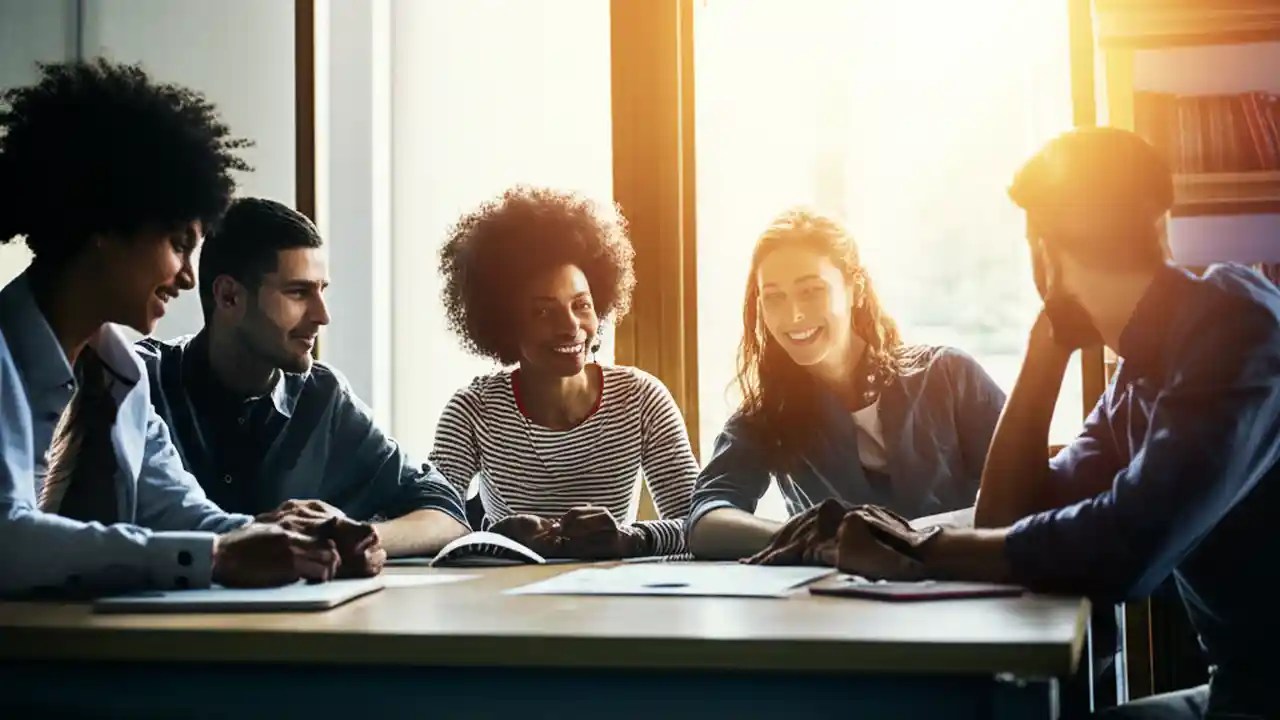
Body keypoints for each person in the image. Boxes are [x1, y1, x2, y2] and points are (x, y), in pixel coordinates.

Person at [755, 128, 1280, 719]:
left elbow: (1127, 547)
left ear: (1043, 256)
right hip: (1240, 690)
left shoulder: (1235, 326)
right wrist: (1043, 354)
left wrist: (921, 550)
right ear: (1159, 228)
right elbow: (1009, 516)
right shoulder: (1143, 373)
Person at [0, 60, 376, 596]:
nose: (188, 276)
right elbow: (7, 541)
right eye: (178, 243)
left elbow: (178, 512)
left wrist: (295, 542)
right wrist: (218, 556)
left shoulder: (120, 374)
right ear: (105, 226)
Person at [137, 198, 469, 558]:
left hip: (296, 614)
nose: (322, 316)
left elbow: (447, 513)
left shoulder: (323, 398)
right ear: (229, 297)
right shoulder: (137, 383)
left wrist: (357, 536)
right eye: (298, 292)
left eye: (322, 290)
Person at [686, 209, 1006, 560]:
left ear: (855, 290)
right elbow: (706, 519)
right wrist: (814, 535)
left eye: (811, 291)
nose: (793, 315)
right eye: (775, 297)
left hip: (959, 594)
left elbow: (1029, 484)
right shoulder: (768, 416)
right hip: (837, 604)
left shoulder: (948, 375)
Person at [429, 186, 699, 558]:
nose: (570, 326)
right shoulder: (473, 411)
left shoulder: (641, 398)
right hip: (501, 607)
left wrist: (629, 538)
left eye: (581, 305)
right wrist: (495, 538)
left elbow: (698, 525)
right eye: (543, 311)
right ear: (505, 322)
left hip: (611, 604)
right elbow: (430, 517)